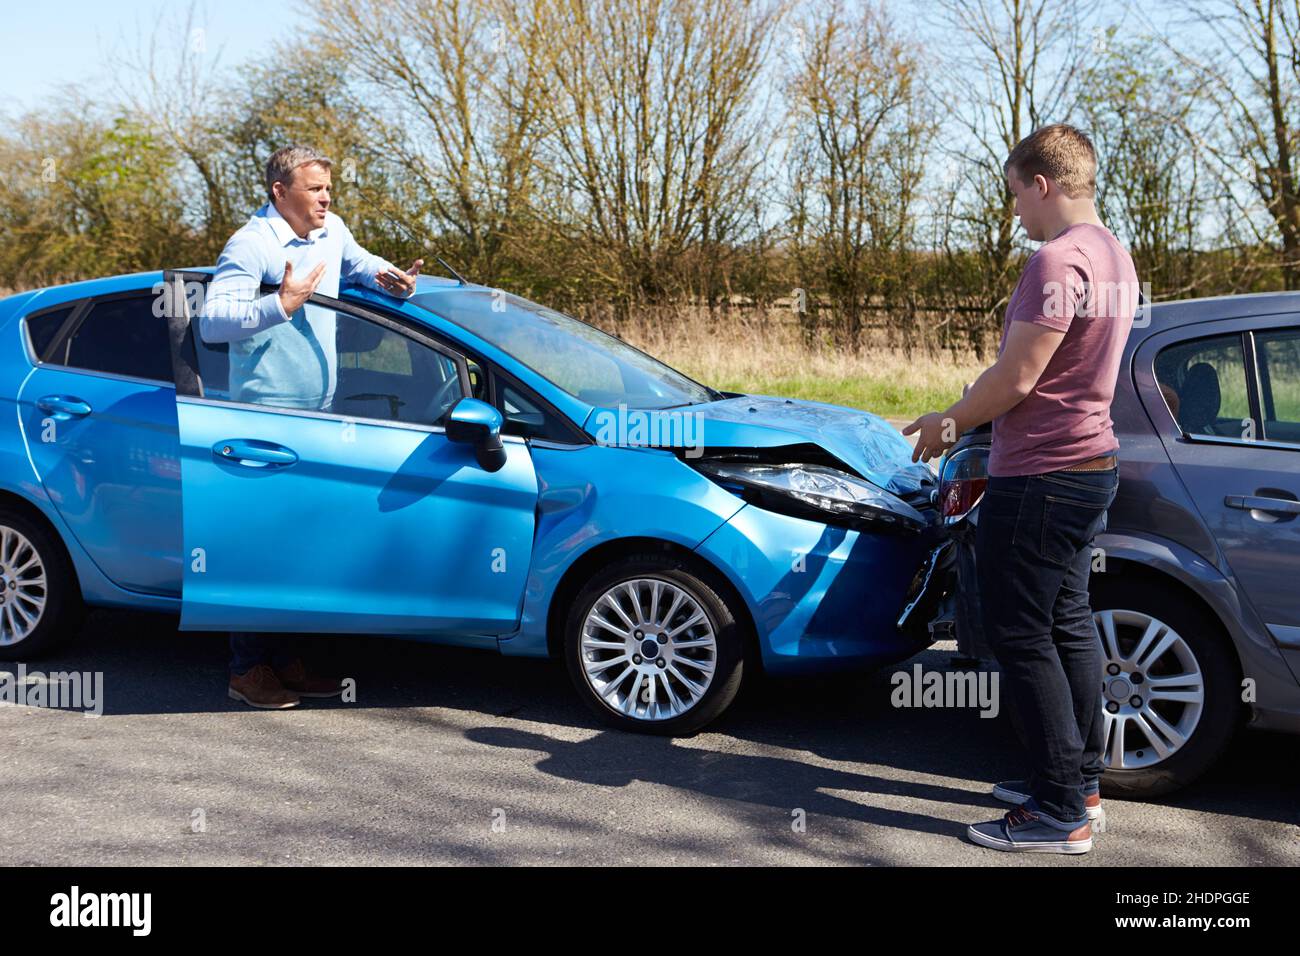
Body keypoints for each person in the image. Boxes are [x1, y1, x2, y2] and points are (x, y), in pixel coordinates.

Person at [903, 124, 1138, 854]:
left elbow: (1017, 378)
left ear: (1042, 183)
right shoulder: (1115, 256)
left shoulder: (1055, 261)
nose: (1014, 212)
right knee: (1068, 621)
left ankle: (1057, 810)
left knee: (1022, 633)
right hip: (1090, 466)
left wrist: (947, 423)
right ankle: (1078, 781)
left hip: (1040, 474)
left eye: (1014, 194)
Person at [203, 144, 423, 709]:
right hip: (265, 418)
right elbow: (213, 320)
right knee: (262, 543)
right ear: (281, 192)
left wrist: (391, 279)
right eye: (315, 189)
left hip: (318, 414)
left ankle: (285, 662)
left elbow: (359, 264)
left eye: (328, 188)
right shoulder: (252, 243)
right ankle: (246, 669)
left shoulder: (332, 230)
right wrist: (281, 304)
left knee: (300, 540)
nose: (326, 198)